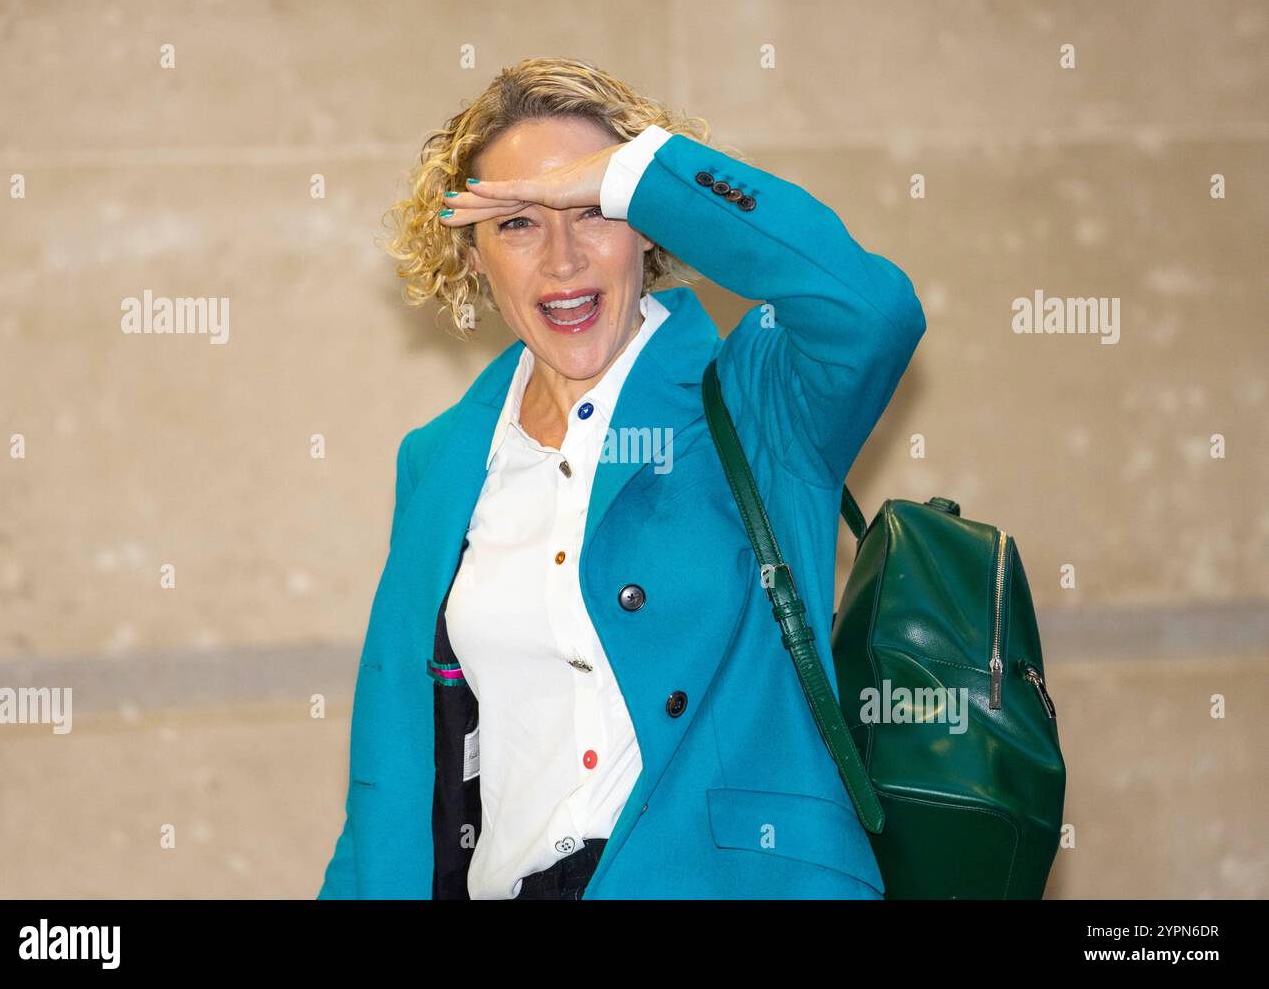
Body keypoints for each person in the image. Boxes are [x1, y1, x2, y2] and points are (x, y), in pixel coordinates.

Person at [317, 55, 926, 900]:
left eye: (592, 211)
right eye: (518, 223)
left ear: (647, 227)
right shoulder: (441, 458)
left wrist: (640, 175)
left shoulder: (759, 403)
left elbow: (872, 311)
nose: (562, 259)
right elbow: (393, 758)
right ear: (474, 255)